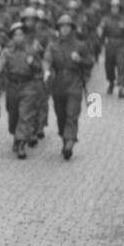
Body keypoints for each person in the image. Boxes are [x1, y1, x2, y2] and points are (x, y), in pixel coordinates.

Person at [0, 20, 41, 159]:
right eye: (16, 35)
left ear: (24, 36)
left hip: (28, 85)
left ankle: (21, 143)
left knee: (25, 115)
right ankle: (16, 137)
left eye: (21, 34)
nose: (18, 37)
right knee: (13, 115)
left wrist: (32, 63)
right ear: (12, 37)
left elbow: (39, 68)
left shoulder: (31, 51)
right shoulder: (7, 52)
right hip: (12, 86)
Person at [44, 14, 90, 161]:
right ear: (58, 29)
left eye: (67, 26)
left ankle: (69, 142)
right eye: (62, 26)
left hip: (74, 83)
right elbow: (47, 60)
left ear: (72, 28)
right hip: (58, 84)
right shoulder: (53, 46)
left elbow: (90, 62)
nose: (64, 29)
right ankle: (66, 137)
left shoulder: (80, 45)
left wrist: (80, 59)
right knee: (61, 115)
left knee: (72, 113)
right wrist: (46, 71)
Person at [97, 0, 124, 98]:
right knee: (109, 66)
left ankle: (121, 87)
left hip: (121, 44)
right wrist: (100, 31)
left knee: (121, 65)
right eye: (112, 7)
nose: (114, 9)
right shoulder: (106, 19)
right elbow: (101, 30)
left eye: (116, 7)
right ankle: (111, 82)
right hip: (110, 44)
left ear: (119, 8)